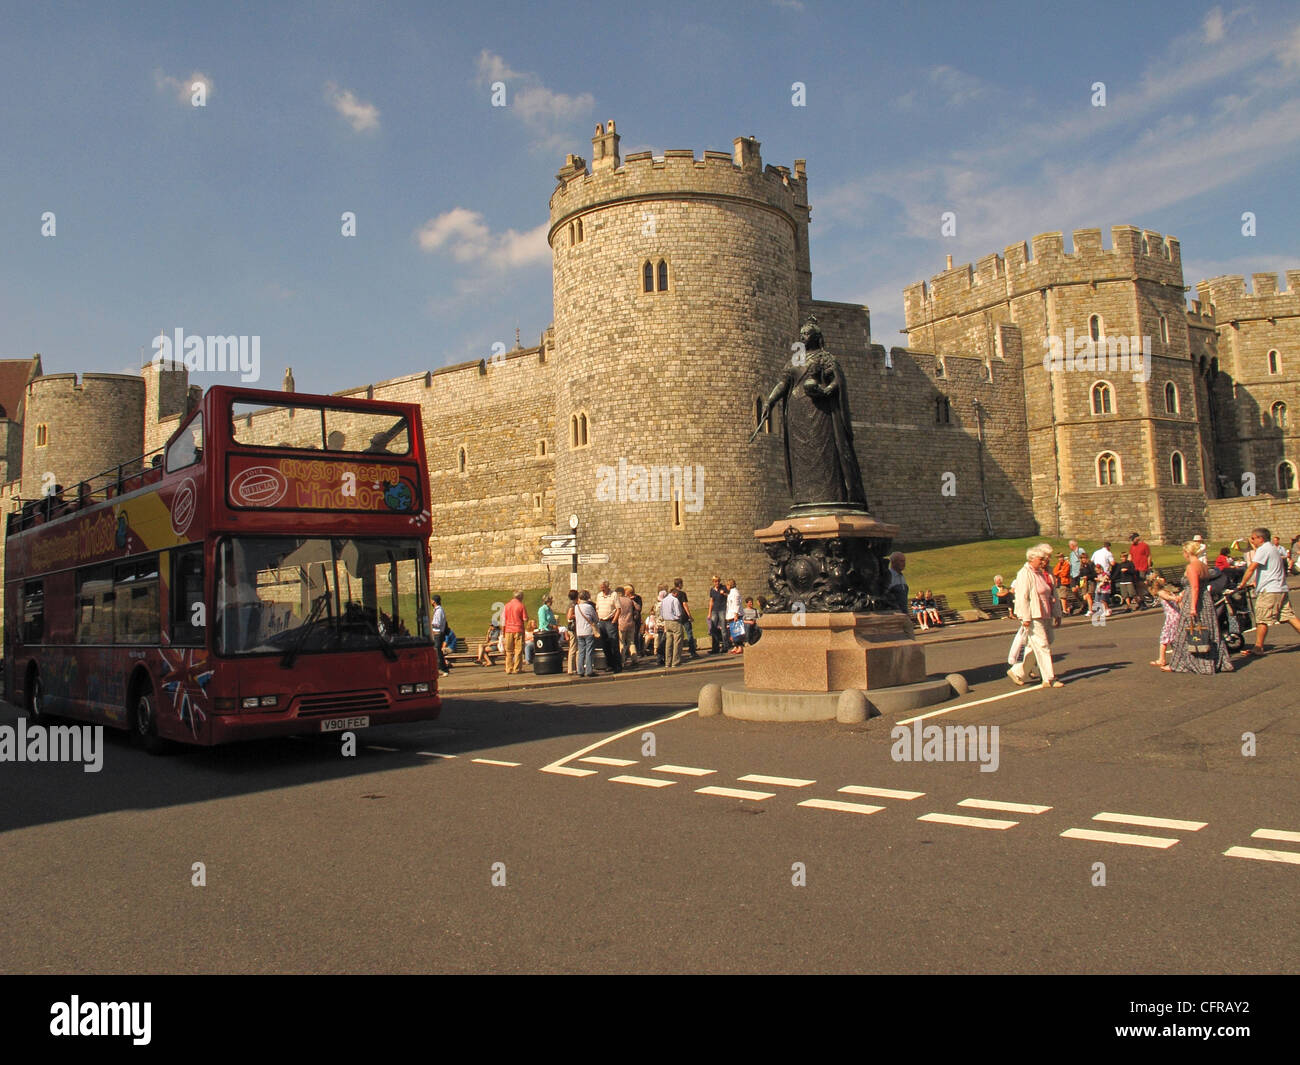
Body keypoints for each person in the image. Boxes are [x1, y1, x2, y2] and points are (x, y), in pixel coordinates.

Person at [1164, 540, 1234, 673]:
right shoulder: (1203, 565)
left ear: (1187, 552)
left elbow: (1194, 587)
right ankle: (1213, 661)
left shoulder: (1191, 567)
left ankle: (1180, 663)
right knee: (1210, 631)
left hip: (1195, 599)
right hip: (1206, 599)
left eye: (1184, 552)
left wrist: (1192, 607)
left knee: (1183, 632)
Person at [1008, 543, 1064, 688]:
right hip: (1034, 614)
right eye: (1044, 558)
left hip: (1046, 612)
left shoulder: (1044, 572)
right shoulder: (1025, 573)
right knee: (1042, 645)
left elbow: (1053, 594)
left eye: (1048, 558)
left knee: (1041, 643)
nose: (1046, 560)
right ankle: (1049, 678)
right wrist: (1024, 616)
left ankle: (1018, 671)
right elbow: (1022, 596)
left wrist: (1057, 613)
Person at [1238, 526, 1300, 657]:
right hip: (1279, 588)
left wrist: (1242, 583)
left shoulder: (1264, 549)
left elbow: (1251, 568)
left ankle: (1258, 647)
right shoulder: (1272, 548)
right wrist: (1256, 582)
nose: (1252, 540)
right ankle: (1258, 647)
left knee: (1261, 619)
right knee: (1289, 616)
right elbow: (1269, 569)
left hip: (1270, 590)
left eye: (1253, 538)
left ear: (1260, 538)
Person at [1149, 576, 1181, 669]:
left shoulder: (1161, 592)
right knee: (1172, 637)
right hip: (1176, 616)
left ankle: (1162, 659)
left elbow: (1166, 597)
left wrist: (1174, 599)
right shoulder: (1169, 591)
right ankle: (1166, 658)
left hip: (1171, 618)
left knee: (1165, 637)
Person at [595, 581, 623, 673]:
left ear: (607, 587)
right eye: (601, 588)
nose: (602, 589)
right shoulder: (599, 595)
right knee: (605, 645)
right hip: (601, 621)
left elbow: (618, 609)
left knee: (614, 644)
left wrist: (614, 621)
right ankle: (609, 664)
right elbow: (597, 608)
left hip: (610, 621)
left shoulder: (614, 595)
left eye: (604, 588)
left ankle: (617, 666)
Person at [574, 590, 599, 678]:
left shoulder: (576, 607)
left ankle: (580, 670)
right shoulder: (589, 607)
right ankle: (589, 670)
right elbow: (596, 619)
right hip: (588, 631)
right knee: (589, 651)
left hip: (579, 631)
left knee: (581, 651)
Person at [659, 584, 685, 668]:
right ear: (675, 593)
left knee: (668, 643)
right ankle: (675, 661)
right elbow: (678, 612)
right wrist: (679, 617)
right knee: (677, 641)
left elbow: (661, 613)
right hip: (675, 621)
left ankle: (668, 662)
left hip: (667, 622)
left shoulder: (663, 600)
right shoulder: (675, 600)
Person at [502, 590, 527, 674]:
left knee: (509, 651)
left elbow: (503, 619)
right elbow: (525, 618)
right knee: (518, 650)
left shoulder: (507, 605)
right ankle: (517, 668)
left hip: (508, 630)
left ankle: (508, 668)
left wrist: (503, 632)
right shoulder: (521, 605)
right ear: (520, 597)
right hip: (518, 629)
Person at [673, 577, 698, 658]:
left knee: (677, 635)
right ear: (679, 584)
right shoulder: (682, 594)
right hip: (683, 615)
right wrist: (690, 615)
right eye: (682, 583)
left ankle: (677, 653)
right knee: (689, 633)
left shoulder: (672, 593)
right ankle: (692, 652)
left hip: (675, 616)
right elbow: (684, 605)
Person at [617, 585, 638, 668]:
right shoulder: (629, 600)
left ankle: (622, 661)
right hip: (630, 623)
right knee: (631, 642)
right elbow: (638, 607)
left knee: (621, 642)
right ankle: (634, 659)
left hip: (621, 623)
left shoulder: (618, 600)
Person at [430, 594, 451, 676]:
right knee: (437, 651)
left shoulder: (439, 611)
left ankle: (444, 669)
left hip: (438, 634)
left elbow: (437, 624)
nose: (431, 602)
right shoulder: (437, 610)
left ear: (434, 601)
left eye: (432, 600)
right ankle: (441, 668)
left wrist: (430, 623)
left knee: (437, 652)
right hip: (437, 634)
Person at [708, 576, 729, 654]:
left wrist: (724, 593)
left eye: (717, 581)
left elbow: (729, 596)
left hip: (722, 610)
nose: (716, 583)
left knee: (723, 629)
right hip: (714, 610)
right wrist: (709, 613)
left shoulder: (723, 587)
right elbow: (711, 601)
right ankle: (715, 648)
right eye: (715, 581)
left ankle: (725, 646)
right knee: (713, 629)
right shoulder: (712, 590)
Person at [725, 579, 744, 653]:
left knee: (737, 632)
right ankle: (736, 646)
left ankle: (740, 647)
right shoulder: (731, 593)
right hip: (731, 614)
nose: (726, 587)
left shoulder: (735, 593)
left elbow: (736, 604)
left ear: (730, 585)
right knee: (733, 632)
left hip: (735, 615)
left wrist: (736, 614)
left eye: (727, 585)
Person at [564, 589, 580, 674]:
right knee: (573, 648)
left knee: (576, 648)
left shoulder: (571, 604)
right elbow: (569, 616)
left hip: (572, 628)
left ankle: (576, 667)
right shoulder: (573, 605)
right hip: (573, 629)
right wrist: (577, 614)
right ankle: (571, 668)